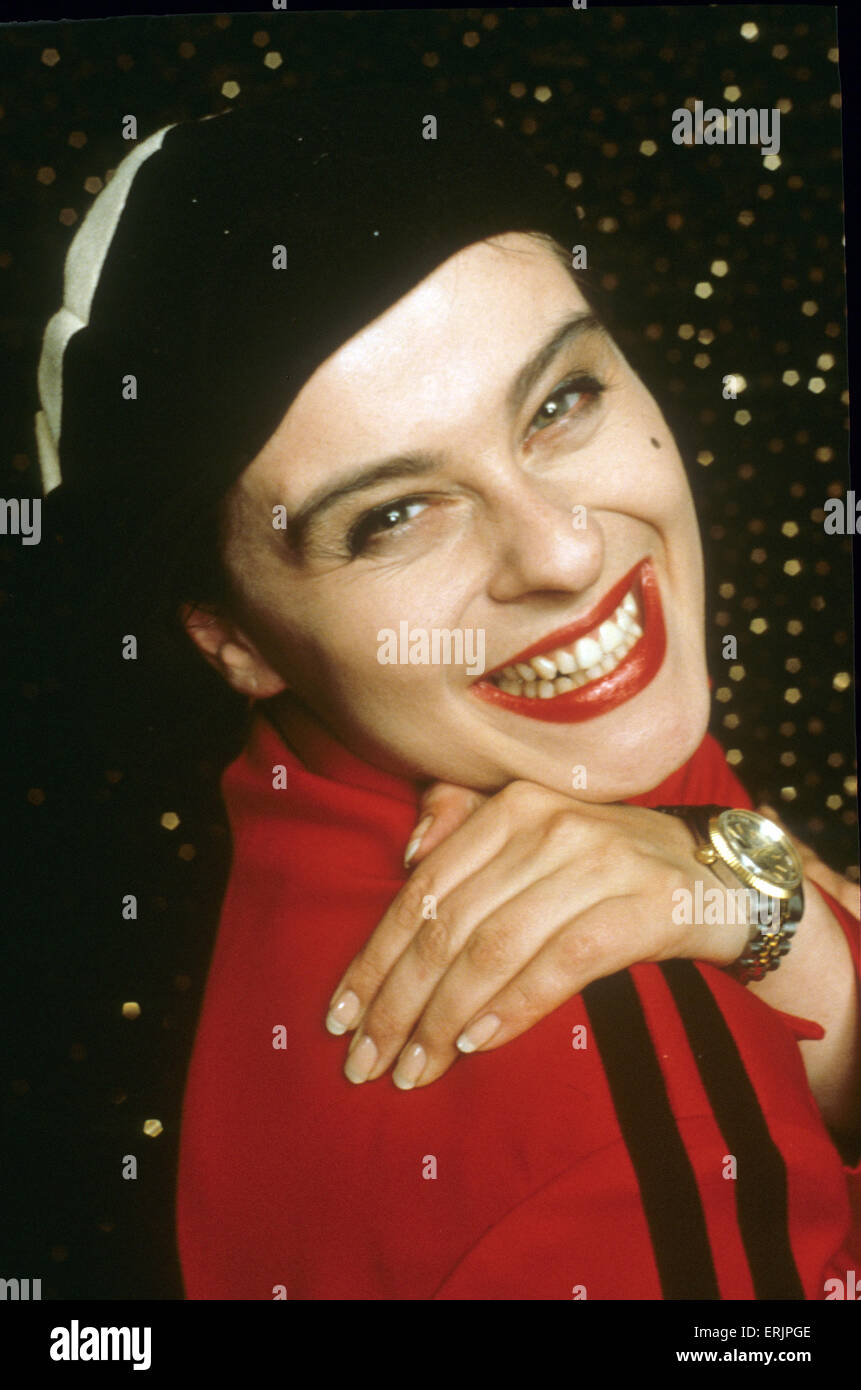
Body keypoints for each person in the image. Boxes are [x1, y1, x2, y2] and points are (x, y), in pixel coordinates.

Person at [35, 83, 859, 1300]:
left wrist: (748, 894)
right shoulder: (623, 1101)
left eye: (560, 402)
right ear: (230, 640)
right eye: (394, 517)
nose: (567, 554)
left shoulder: (529, 760)